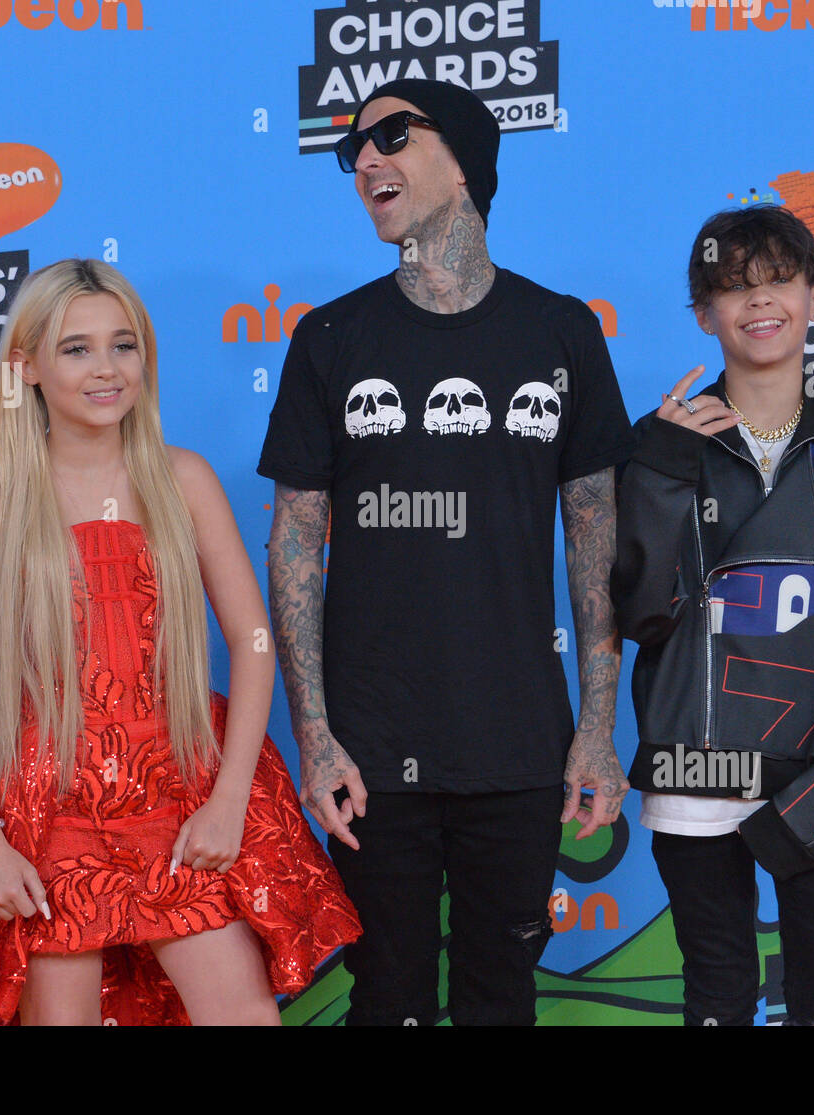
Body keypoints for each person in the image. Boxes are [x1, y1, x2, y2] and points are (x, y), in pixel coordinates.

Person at [0, 259, 359, 1026]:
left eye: (123, 345)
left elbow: (254, 644)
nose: (106, 369)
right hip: (47, 806)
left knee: (244, 1014)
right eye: (76, 348)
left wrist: (228, 802)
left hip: (180, 788)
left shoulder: (183, 479)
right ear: (25, 366)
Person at [258, 78, 634, 1026]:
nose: (366, 161)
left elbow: (597, 546)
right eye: (354, 150)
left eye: (391, 134)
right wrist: (314, 734)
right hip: (371, 753)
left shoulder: (561, 332)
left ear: (465, 157)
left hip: (517, 744)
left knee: (499, 1000)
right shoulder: (330, 338)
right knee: (386, 1000)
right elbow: (297, 540)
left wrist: (598, 724)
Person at [610, 204, 814, 1026]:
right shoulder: (663, 444)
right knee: (717, 999)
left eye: (779, 280)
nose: (760, 302)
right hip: (696, 773)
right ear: (703, 316)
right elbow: (643, 614)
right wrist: (662, 475)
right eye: (733, 287)